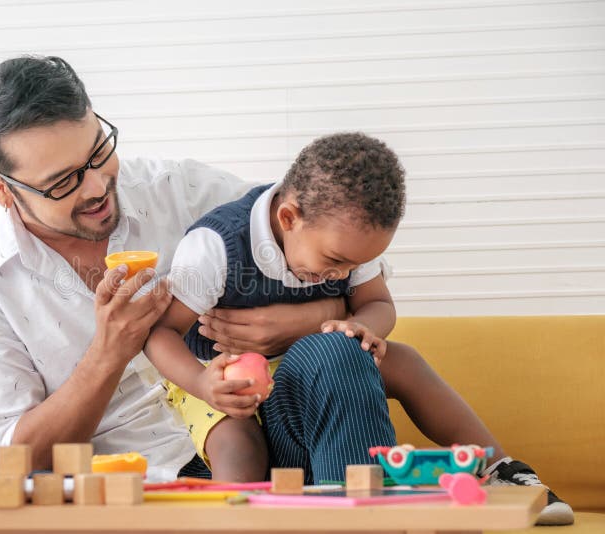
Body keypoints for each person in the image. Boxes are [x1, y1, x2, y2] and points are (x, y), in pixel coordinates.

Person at [0, 55, 395, 485]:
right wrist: (109, 353)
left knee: (339, 356)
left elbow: (333, 247)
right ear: (0, 187)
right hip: (133, 485)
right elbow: (18, 461)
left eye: (98, 152)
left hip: (276, 439)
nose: (96, 186)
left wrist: (314, 319)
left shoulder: (184, 190)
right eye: (63, 182)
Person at [144, 132, 573, 525]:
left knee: (403, 360)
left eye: (354, 266)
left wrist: (364, 327)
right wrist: (204, 383)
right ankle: (237, 513)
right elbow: (160, 335)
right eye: (334, 263)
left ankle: (501, 468)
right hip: (228, 379)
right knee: (237, 447)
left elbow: (378, 304)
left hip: (315, 375)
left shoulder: (348, 237)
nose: (343, 274)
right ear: (289, 218)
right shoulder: (215, 247)